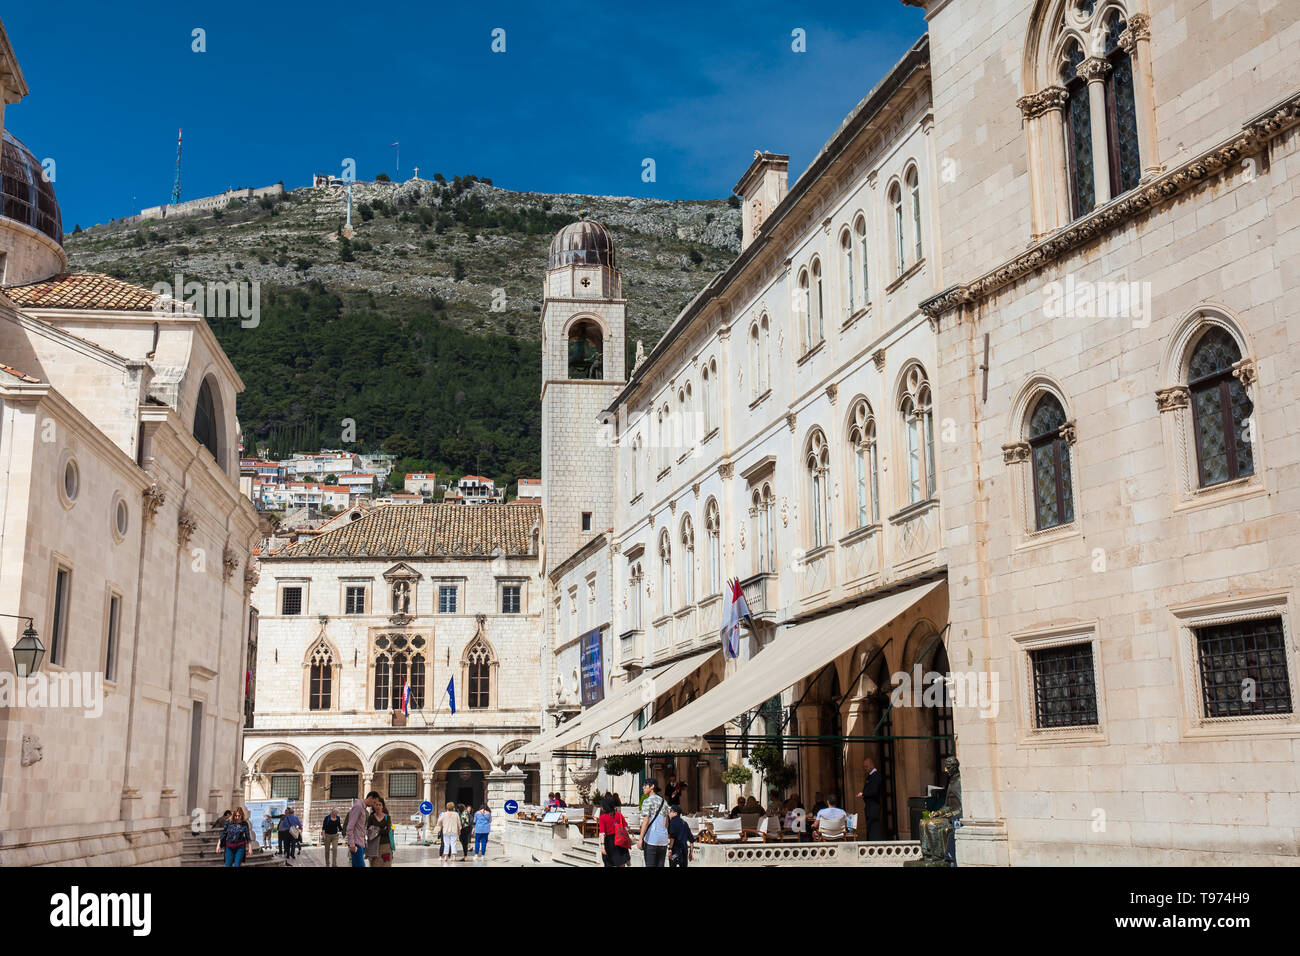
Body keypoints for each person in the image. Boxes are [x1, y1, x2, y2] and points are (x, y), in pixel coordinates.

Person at [637, 778, 669, 867]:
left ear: (652, 787)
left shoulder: (647, 801)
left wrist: (640, 839)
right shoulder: (664, 801)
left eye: (645, 785)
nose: (643, 787)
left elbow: (646, 821)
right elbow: (666, 823)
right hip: (663, 839)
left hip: (651, 838)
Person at [347, 792, 380, 868]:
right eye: (374, 802)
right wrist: (352, 843)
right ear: (370, 798)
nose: (373, 805)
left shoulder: (363, 808)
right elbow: (350, 827)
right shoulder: (358, 807)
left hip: (360, 843)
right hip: (356, 844)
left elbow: (360, 827)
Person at [597, 795, 630, 867]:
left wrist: (602, 845)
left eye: (602, 806)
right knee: (621, 863)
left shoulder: (602, 818)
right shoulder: (619, 815)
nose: (601, 807)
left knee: (609, 863)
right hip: (620, 840)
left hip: (609, 842)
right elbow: (626, 828)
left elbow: (602, 833)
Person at [859, 757, 884, 841]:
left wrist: (863, 794)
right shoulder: (870, 776)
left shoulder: (876, 776)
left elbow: (874, 791)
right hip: (869, 807)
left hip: (874, 807)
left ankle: (876, 848)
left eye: (866, 766)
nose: (865, 769)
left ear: (871, 765)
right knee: (870, 828)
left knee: (874, 828)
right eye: (864, 767)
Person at [366, 797, 394, 867]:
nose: (378, 806)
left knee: (386, 864)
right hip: (374, 846)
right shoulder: (371, 817)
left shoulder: (387, 817)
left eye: (379, 804)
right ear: (374, 806)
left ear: (382, 806)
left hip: (386, 845)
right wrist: (381, 829)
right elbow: (369, 830)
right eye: (376, 804)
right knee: (375, 864)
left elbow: (387, 831)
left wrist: (376, 830)